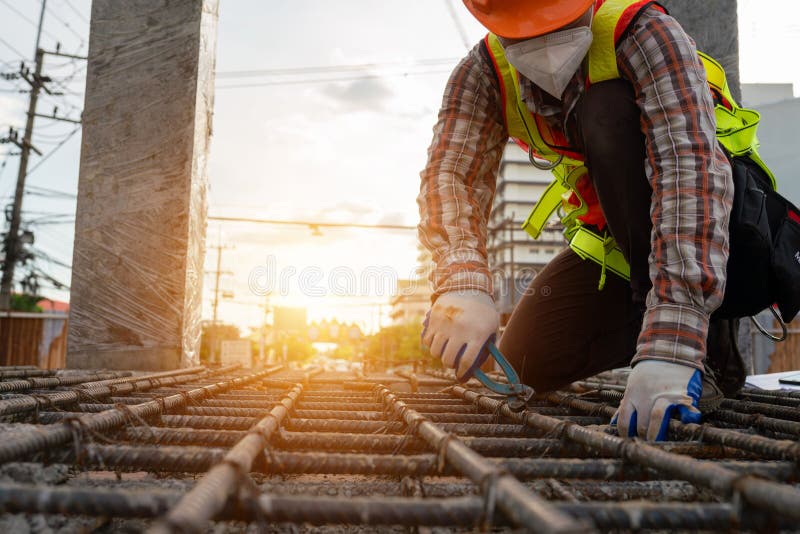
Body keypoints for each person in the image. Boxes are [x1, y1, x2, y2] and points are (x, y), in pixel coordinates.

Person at [418, 0, 747, 441]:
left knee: (605, 111)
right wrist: (462, 281)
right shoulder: (481, 74)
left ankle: (703, 348)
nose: (541, 39)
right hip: (616, 247)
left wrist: (674, 337)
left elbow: (689, 172)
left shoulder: (645, 34)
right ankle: (644, 333)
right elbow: (450, 176)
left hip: (715, 235)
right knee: (525, 361)